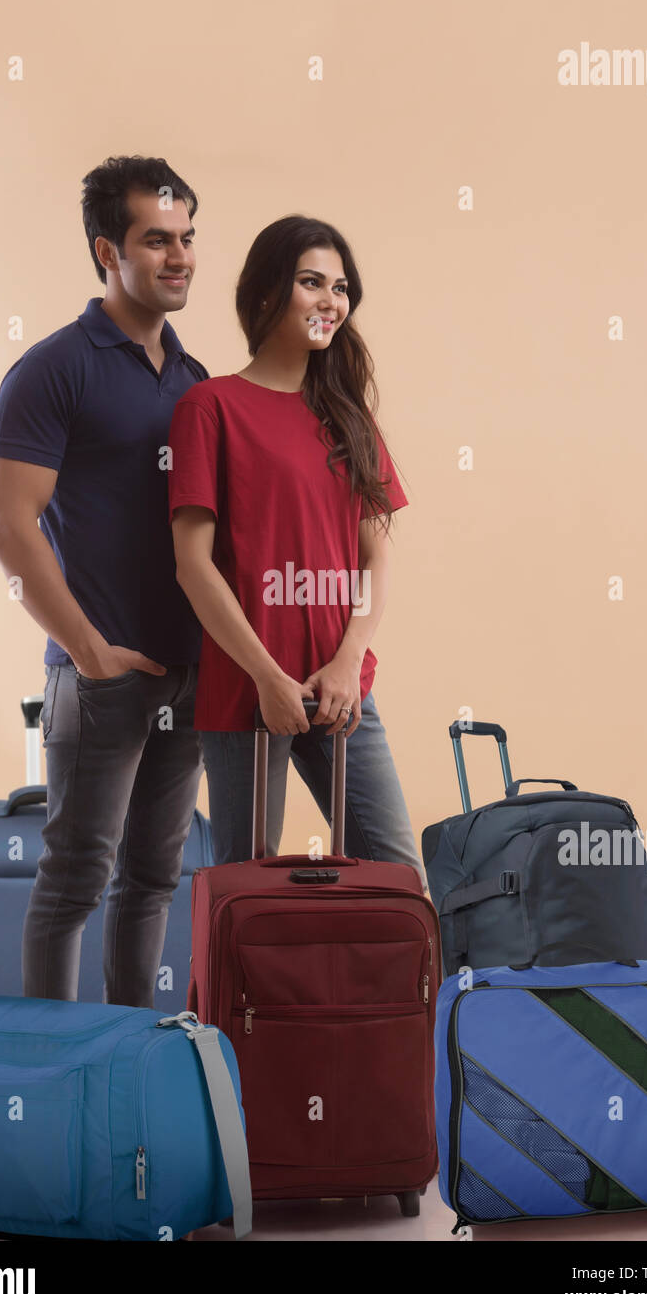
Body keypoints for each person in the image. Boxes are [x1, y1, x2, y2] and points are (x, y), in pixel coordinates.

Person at [0, 155, 208, 1007]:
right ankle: (55, 1072)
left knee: (154, 879)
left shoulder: (195, 381)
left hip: (187, 676)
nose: (179, 256)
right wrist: (90, 653)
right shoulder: (53, 369)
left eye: (187, 237)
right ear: (104, 252)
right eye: (157, 240)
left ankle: (131, 1061)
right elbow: (10, 524)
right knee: (75, 879)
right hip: (98, 675)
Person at [168, 215, 424, 883]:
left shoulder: (349, 417)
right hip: (247, 690)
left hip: (341, 689)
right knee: (247, 879)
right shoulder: (210, 407)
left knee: (394, 871)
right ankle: (238, 997)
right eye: (312, 282)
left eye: (340, 288)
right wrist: (266, 676)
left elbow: (377, 559)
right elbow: (193, 566)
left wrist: (347, 662)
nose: (331, 301)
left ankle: (384, 994)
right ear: (265, 293)